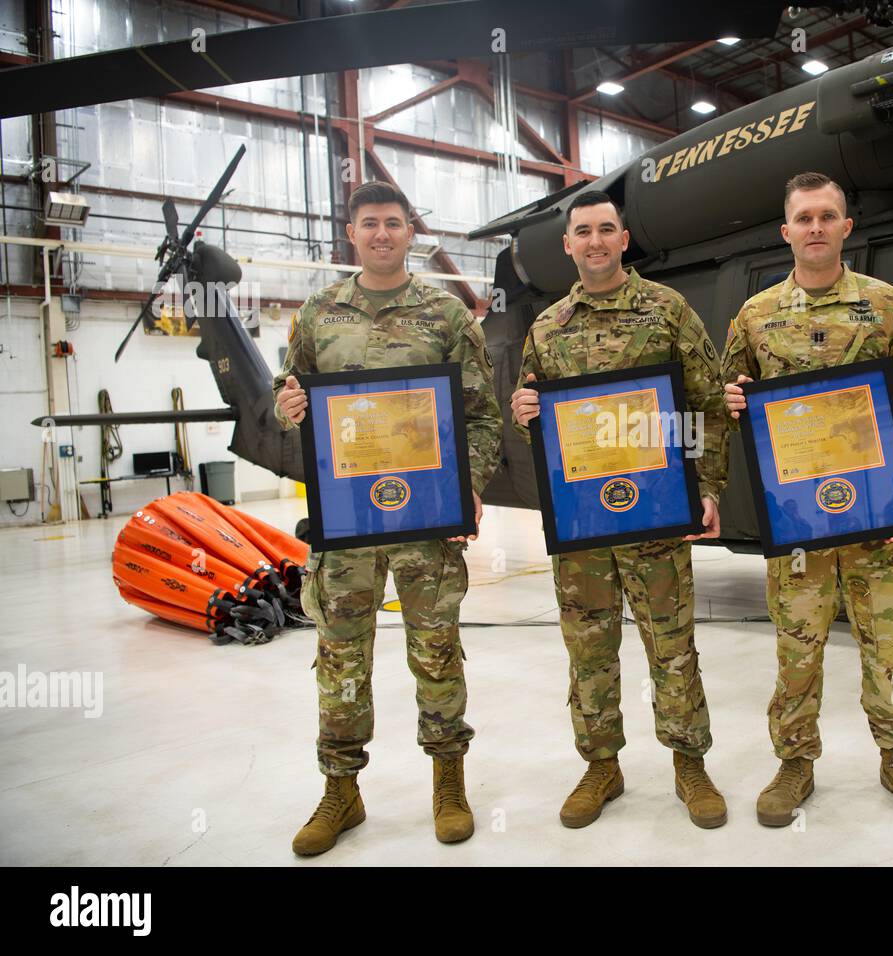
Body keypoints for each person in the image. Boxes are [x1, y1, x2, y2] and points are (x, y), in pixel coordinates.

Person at [273, 181, 502, 854]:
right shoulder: (317, 314)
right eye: (369, 223)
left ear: (410, 233)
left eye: (394, 224)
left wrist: (470, 487)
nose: (381, 234)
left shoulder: (445, 313)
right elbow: (291, 402)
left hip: (427, 520)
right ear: (352, 233)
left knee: (437, 653)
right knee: (340, 657)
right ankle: (340, 790)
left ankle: (449, 778)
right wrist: (285, 412)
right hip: (345, 525)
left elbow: (481, 416)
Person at [719, 171, 893, 826]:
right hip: (797, 517)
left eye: (828, 215)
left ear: (846, 227)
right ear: (785, 231)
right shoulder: (755, 317)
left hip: (876, 508)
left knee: (888, 641)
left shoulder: (884, 305)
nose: (815, 227)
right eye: (804, 217)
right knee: (798, 645)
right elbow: (729, 396)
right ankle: (795, 762)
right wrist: (734, 402)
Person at [508, 191, 730, 829]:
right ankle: (601, 763)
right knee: (588, 646)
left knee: (673, 645)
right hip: (585, 521)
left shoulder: (667, 311)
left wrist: (705, 487)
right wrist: (528, 418)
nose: (596, 241)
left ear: (624, 238)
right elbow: (539, 423)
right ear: (569, 245)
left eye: (607, 229)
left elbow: (707, 404)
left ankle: (690, 763)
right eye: (584, 232)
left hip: (657, 514)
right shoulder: (547, 327)